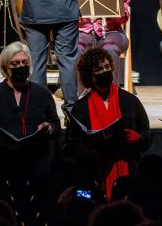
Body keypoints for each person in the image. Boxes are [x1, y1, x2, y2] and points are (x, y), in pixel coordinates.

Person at [64, 48, 151, 200]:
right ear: (89, 76)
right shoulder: (80, 107)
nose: (105, 72)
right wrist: (82, 148)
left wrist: (138, 138)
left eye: (107, 67)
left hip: (127, 171)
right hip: (94, 173)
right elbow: (69, 146)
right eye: (98, 69)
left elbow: (147, 135)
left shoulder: (129, 101)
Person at [0, 42, 60, 184]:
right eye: (15, 64)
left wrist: (48, 129)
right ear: (6, 67)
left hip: (35, 163)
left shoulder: (42, 93)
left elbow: (55, 124)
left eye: (24, 62)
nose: (20, 66)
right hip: (1, 163)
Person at [76, 0, 130, 92]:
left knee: (110, 49)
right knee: (75, 49)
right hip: (86, 32)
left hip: (112, 31)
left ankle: (112, 95)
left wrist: (113, 10)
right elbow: (68, 12)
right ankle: (82, 96)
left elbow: (125, 16)